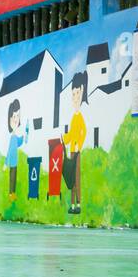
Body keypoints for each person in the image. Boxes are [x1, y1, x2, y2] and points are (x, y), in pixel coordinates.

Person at [62, 73, 88, 215]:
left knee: (76, 178)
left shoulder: (80, 117)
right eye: (73, 94)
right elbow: (71, 134)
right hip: (72, 150)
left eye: (77, 93)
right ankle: (72, 205)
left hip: (76, 151)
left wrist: (79, 145)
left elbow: (83, 131)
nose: (75, 97)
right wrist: (64, 139)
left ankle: (78, 204)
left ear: (82, 92)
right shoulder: (73, 117)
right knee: (71, 178)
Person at [6, 99, 27, 200]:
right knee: (12, 178)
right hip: (12, 162)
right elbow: (9, 151)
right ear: (9, 119)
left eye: (18, 116)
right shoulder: (12, 137)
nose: (16, 119)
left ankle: (13, 193)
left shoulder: (15, 137)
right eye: (14, 116)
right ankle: (11, 194)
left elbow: (19, 143)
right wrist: (6, 163)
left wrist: (23, 138)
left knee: (14, 178)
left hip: (15, 162)